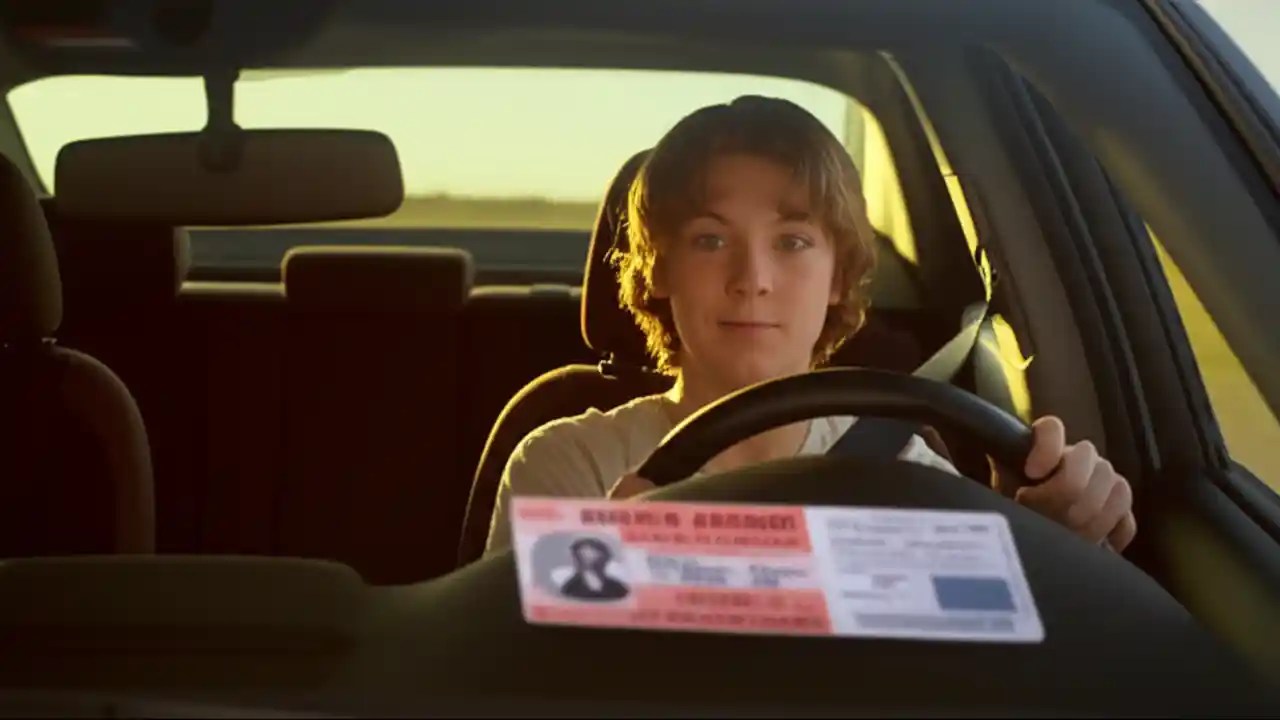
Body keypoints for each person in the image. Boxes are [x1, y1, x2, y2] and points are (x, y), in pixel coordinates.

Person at [484, 95, 1136, 557]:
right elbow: (507, 679)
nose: (753, 278)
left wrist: (1047, 541)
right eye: (710, 240)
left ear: (837, 280)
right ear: (657, 270)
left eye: (792, 243)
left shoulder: (906, 472)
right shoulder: (566, 464)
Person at [558, 537, 631, 601]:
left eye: (599, 555)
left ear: (606, 559)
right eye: (584, 554)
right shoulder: (570, 588)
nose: (590, 557)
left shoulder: (617, 587)